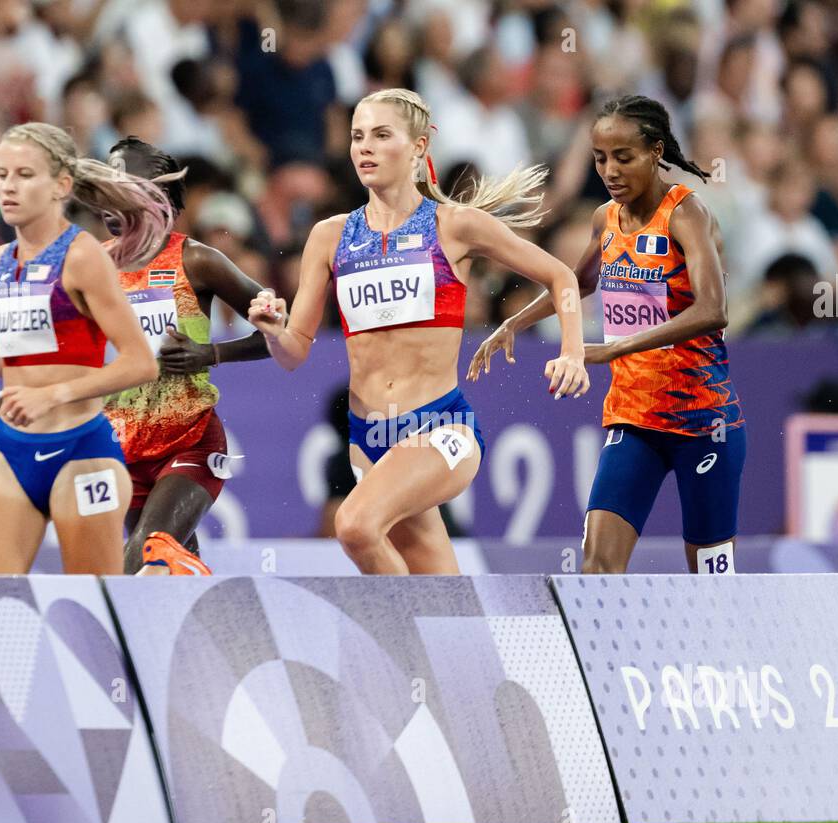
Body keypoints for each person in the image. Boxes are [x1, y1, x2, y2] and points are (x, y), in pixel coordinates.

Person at [248, 87, 589, 575]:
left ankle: (404, 645)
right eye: (357, 136)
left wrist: (573, 351)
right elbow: (293, 353)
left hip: (441, 428)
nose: (364, 147)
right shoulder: (329, 235)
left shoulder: (455, 226)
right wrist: (272, 329)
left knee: (356, 526)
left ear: (419, 147)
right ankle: (457, 648)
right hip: (368, 439)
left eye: (381, 135)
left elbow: (561, 276)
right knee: (435, 582)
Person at [471, 95, 745, 574]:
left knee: (711, 582)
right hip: (634, 419)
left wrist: (613, 348)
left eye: (624, 157)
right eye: (600, 158)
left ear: (656, 151)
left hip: (704, 422)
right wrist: (514, 321)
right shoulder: (605, 218)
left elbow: (712, 309)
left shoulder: (687, 214)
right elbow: (578, 283)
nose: (610, 171)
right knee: (597, 568)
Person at [0, 122, 161, 575]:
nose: (8, 188)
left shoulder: (83, 257)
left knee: (98, 608)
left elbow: (140, 363)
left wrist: (51, 395)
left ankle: (166, 574)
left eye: (24, 175)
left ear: (61, 186)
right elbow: (18, 353)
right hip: (11, 450)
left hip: (82, 451)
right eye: (1, 175)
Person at [103, 136, 271, 575]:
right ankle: (222, 637)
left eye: (122, 185)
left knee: (142, 558)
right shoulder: (92, 266)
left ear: (156, 195)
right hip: (122, 448)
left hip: (189, 440)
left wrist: (211, 351)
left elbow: (281, 329)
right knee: (171, 573)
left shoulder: (196, 260)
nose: (107, 196)